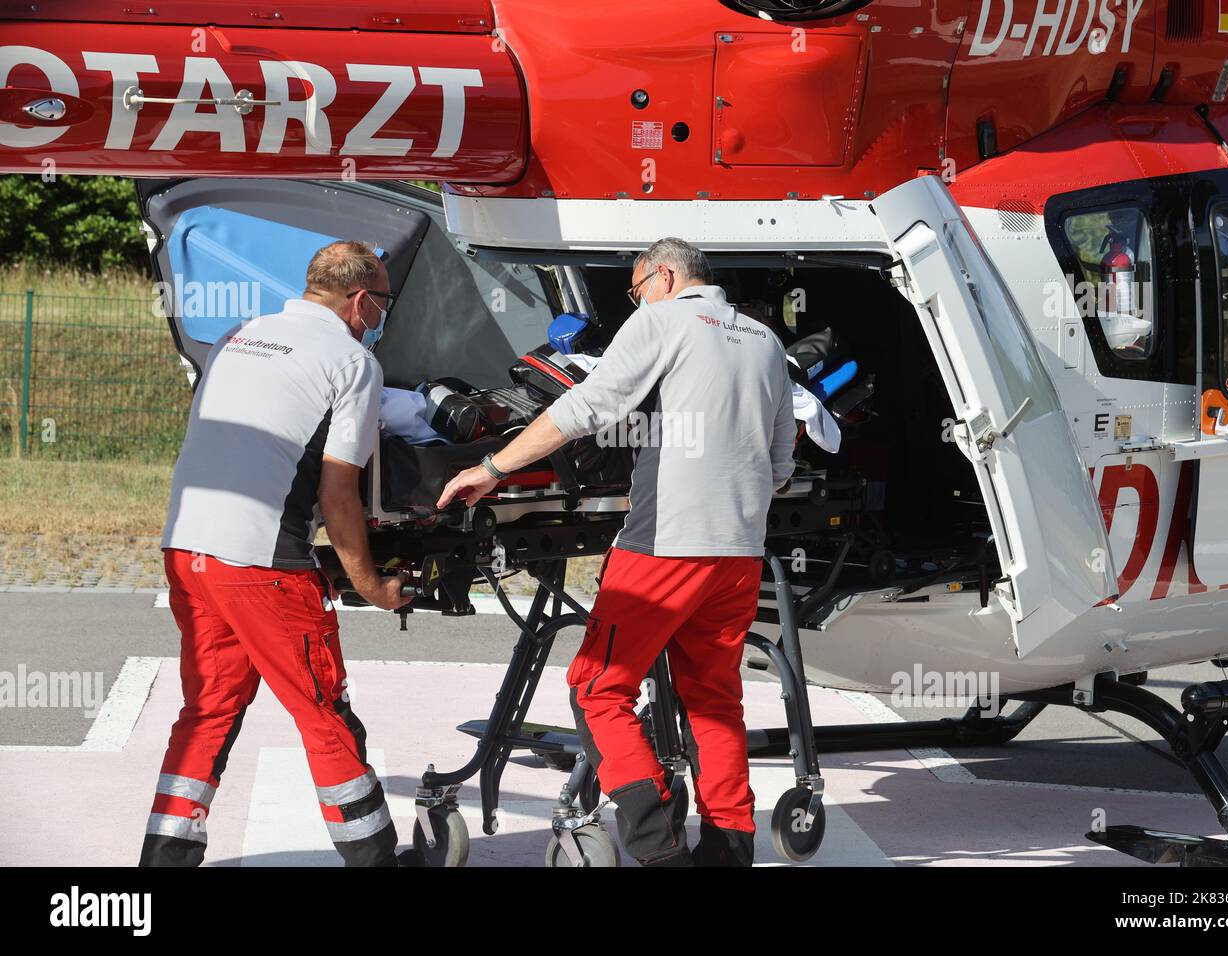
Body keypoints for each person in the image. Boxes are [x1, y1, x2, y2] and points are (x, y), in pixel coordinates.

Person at [437, 237, 796, 866]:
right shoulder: (765, 341)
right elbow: (781, 460)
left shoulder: (661, 318)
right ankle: (729, 853)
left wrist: (492, 467)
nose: (635, 302)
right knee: (713, 700)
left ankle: (659, 849)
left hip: (664, 547)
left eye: (635, 291)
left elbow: (588, 405)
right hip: (739, 551)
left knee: (598, 687)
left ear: (662, 276)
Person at [140, 240, 412, 867]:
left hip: (187, 548)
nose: (381, 317)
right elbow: (338, 492)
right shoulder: (351, 362)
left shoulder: (239, 334)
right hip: (260, 563)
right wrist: (371, 584)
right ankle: (377, 860)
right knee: (324, 715)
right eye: (384, 304)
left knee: (208, 711)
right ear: (361, 299)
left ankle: (159, 865)